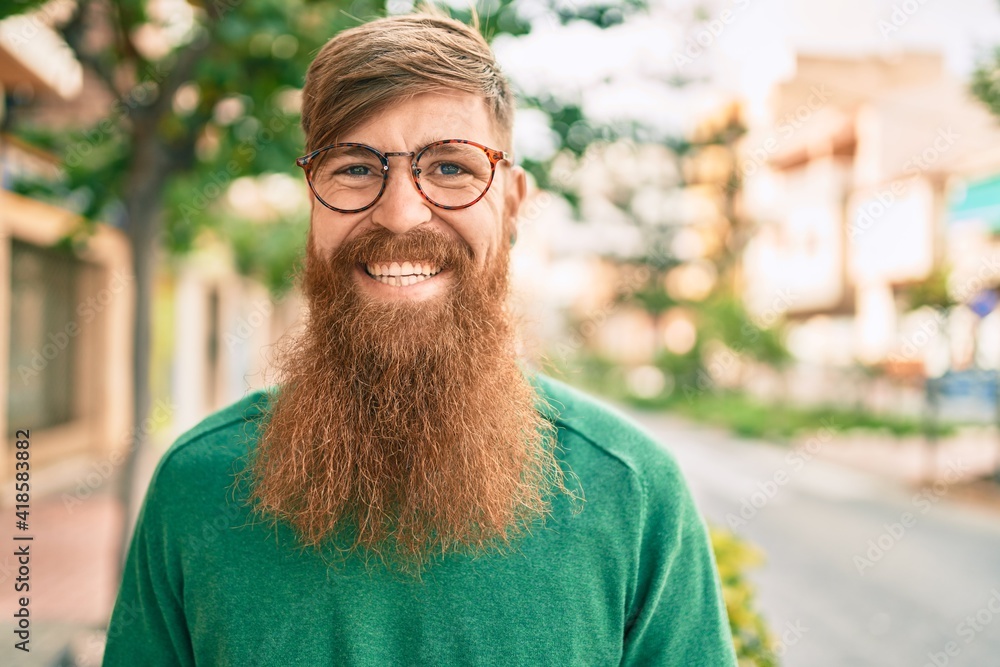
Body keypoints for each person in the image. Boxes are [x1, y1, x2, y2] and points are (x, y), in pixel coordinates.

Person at [102, 8, 738, 666]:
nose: (402, 210)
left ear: (514, 204)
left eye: (452, 169)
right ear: (311, 200)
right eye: (353, 168)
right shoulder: (196, 486)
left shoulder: (632, 494)